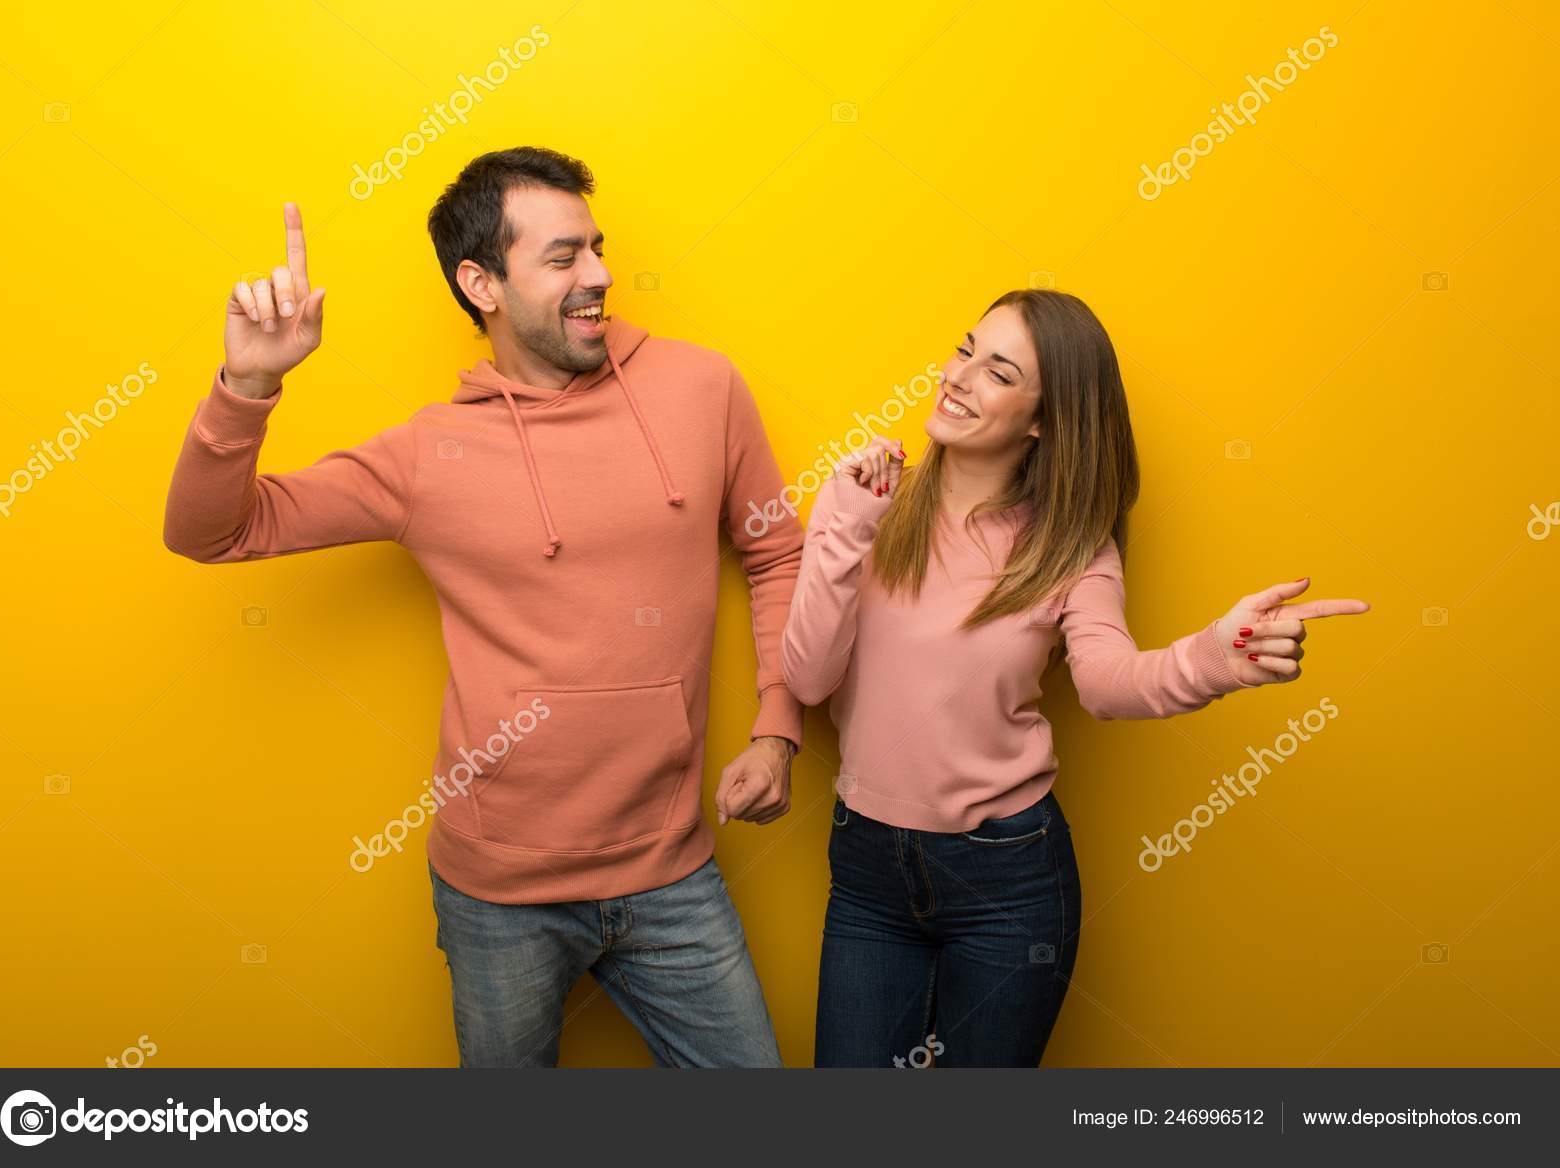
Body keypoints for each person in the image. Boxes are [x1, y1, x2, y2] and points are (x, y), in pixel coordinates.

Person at [163, 147, 804, 1067]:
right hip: (499, 896)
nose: (599, 276)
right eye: (562, 258)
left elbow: (775, 547)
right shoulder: (429, 458)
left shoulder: (703, 389)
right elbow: (211, 532)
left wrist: (778, 729)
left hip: (674, 871)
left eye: (596, 247)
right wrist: (249, 386)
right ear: (481, 282)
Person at [780, 288, 1369, 1067]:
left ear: (1042, 422)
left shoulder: (1070, 546)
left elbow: (1107, 682)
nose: (958, 377)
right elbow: (810, 677)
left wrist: (1215, 658)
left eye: (998, 371)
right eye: (964, 350)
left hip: (1008, 878)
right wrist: (848, 527)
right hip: (867, 870)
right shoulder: (866, 500)